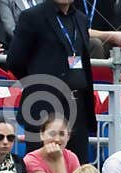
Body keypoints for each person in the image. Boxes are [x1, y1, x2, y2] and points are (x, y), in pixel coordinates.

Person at [6, 0, 99, 163]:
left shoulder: (81, 19)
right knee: (41, 166)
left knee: (78, 166)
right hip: (45, 104)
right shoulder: (32, 17)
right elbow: (15, 61)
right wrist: (39, 84)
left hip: (78, 105)